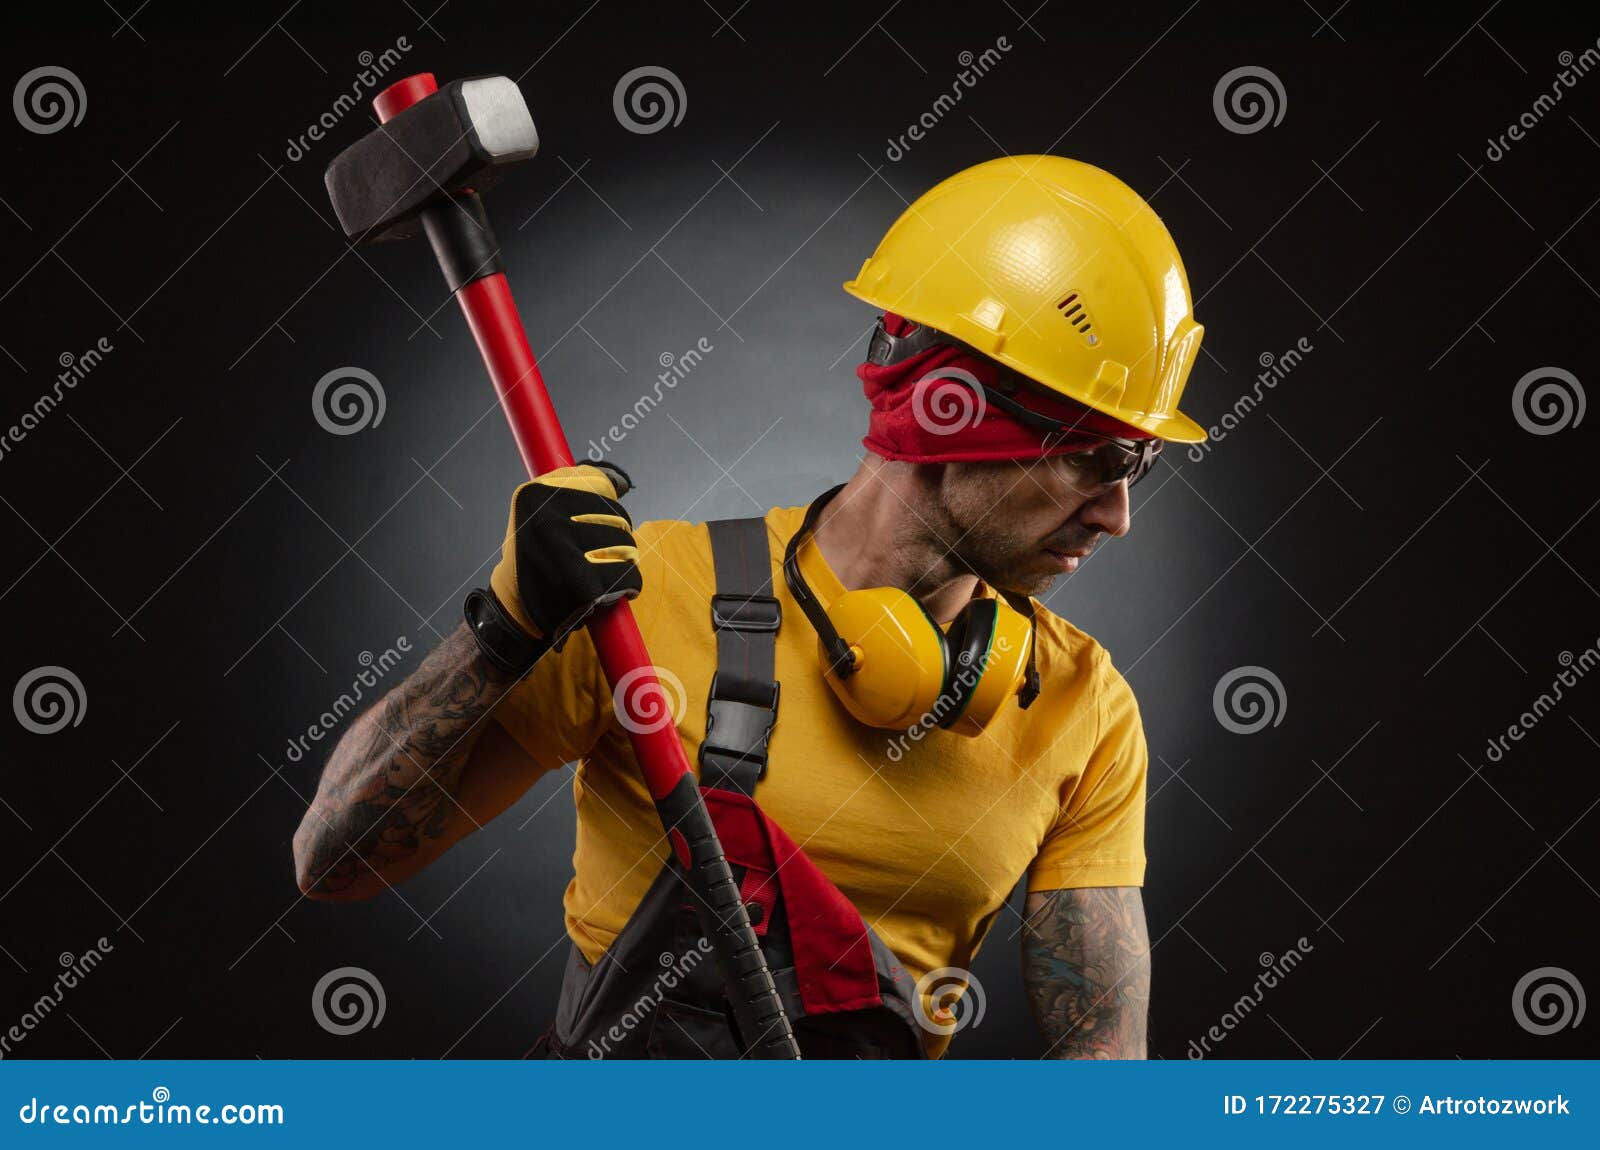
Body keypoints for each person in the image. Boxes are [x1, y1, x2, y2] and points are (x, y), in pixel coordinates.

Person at [291, 154, 1208, 1059]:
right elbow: (335, 860)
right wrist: (503, 627)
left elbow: (1103, 1074)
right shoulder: (632, 599)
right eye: (1098, 460)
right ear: (951, 411)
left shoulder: (1084, 706)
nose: (1119, 516)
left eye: (1140, 466)